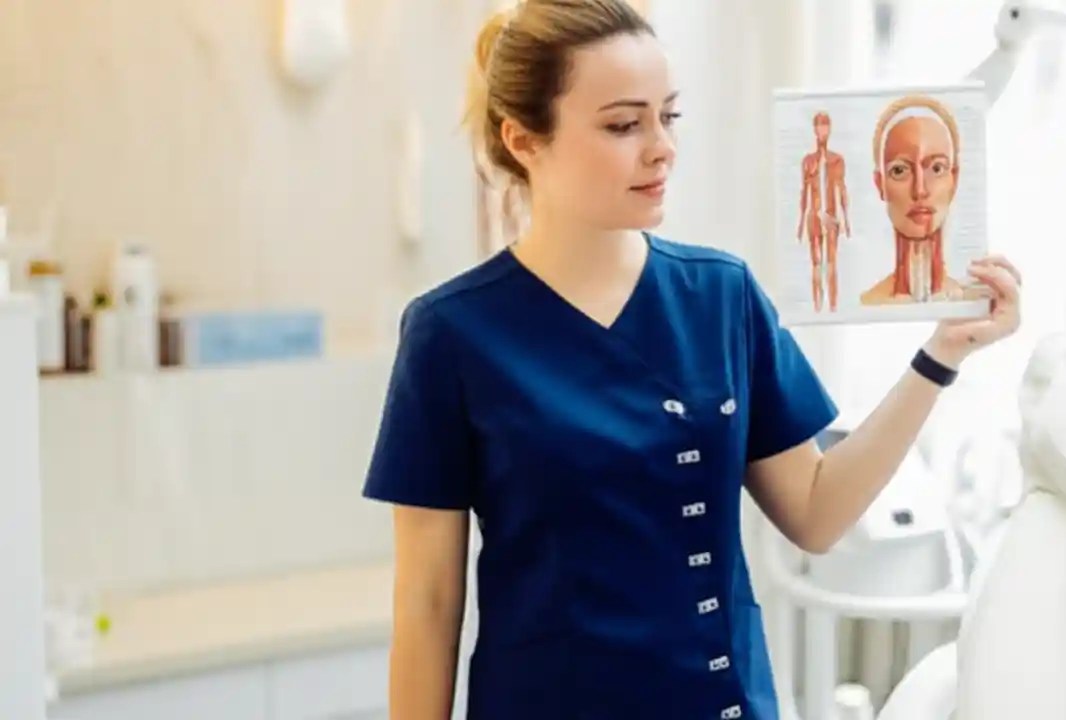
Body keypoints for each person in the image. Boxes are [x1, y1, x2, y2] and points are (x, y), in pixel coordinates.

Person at [361, 2, 1023, 719]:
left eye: (667, 117)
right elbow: (427, 604)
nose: (661, 148)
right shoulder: (452, 334)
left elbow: (816, 511)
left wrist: (940, 357)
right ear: (524, 140)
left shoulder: (721, 295)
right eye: (623, 124)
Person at [860, 95, 986, 305]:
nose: (920, 190)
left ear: (954, 179)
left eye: (936, 168)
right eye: (900, 170)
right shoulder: (867, 304)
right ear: (879, 183)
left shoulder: (972, 302)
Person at [796, 111, 849, 313]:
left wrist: (846, 220)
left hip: (831, 216)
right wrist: (801, 222)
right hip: (814, 216)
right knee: (817, 263)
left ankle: (833, 308)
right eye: (819, 126)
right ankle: (817, 308)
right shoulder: (808, 161)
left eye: (825, 125)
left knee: (832, 262)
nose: (822, 130)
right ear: (814, 130)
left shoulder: (837, 160)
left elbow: (842, 189)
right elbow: (804, 191)